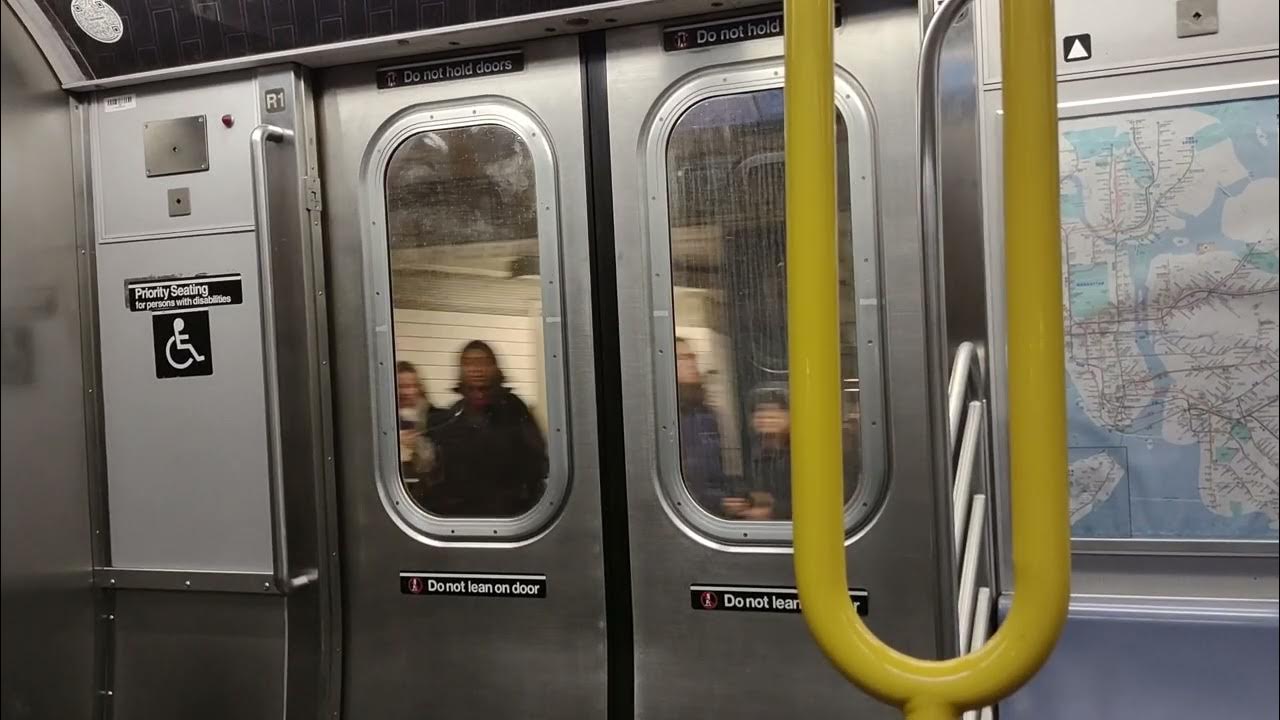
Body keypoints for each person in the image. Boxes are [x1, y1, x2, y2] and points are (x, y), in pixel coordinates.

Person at [423, 340, 549, 517]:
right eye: (469, 363)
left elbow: (538, 465)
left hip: (511, 517)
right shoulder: (451, 419)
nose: (476, 370)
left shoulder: (514, 409)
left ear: (495, 368)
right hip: (462, 520)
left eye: (483, 362)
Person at [723, 385, 791, 521]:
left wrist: (773, 511)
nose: (765, 417)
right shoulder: (750, 451)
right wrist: (740, 502)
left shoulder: (804, 453)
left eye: (774, 412)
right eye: (760, 412)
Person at [675, 338, 728, 512]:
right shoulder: (669, 417)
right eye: (683, 358)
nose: (692, 364)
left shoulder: (706, 415)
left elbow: (716, 472)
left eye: (692, 357)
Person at [396, 361, 442, 504]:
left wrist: (418, 445)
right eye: (400, 387)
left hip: (428, 495)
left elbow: (439, 463)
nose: (405, 392)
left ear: (418, 388)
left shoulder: (435, 417)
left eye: (409, 386)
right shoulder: (383, 418)